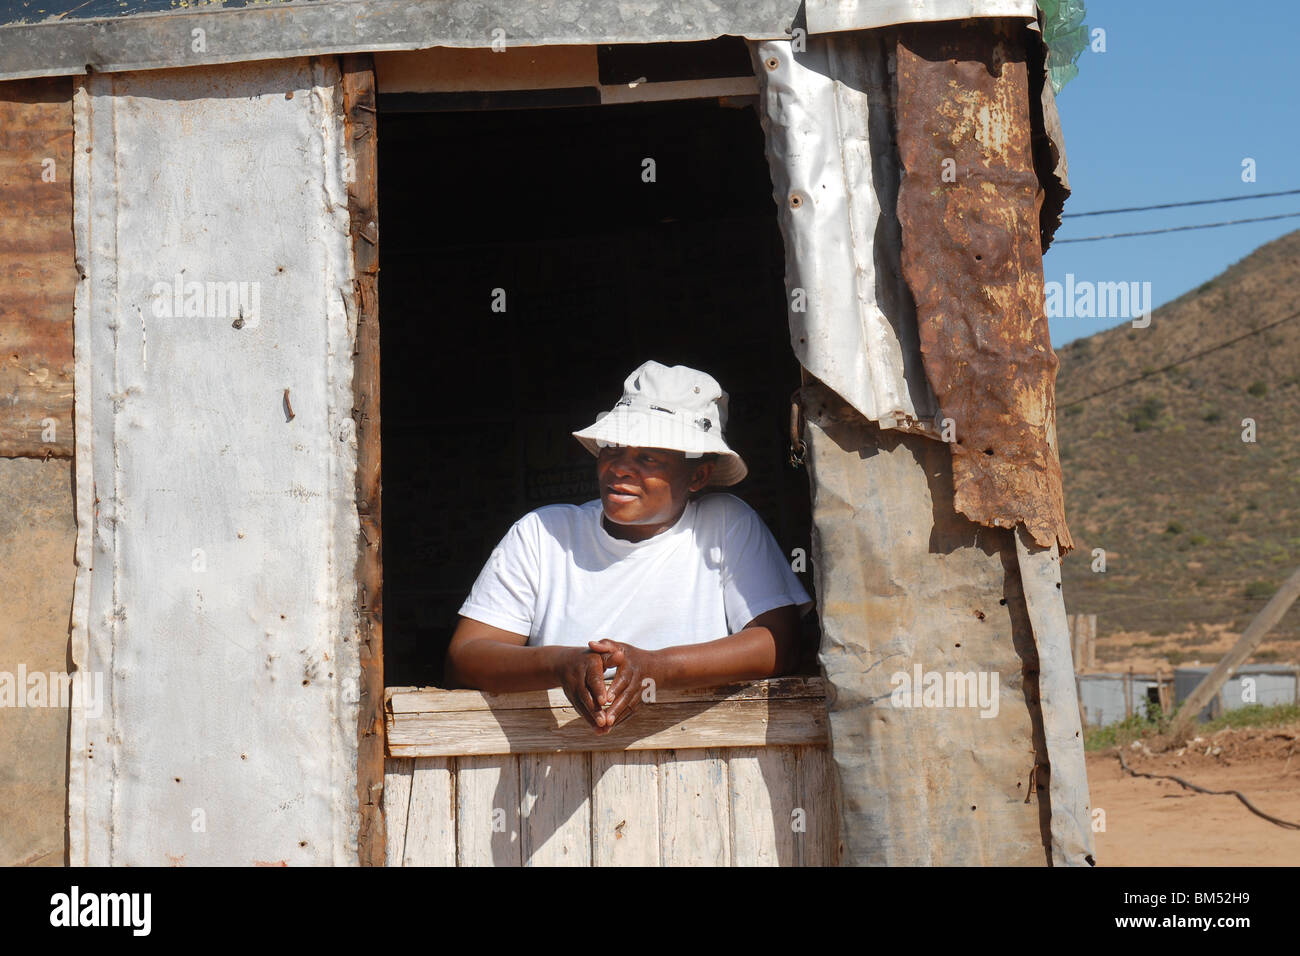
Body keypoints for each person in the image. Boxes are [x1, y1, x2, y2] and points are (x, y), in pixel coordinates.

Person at [444, 360, 812, 734]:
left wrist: (657, 668)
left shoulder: (724, 526)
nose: (619, 469)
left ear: (698, 475)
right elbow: (466, 656)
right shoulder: (543, 533)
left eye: (648, 458)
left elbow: (778, 645)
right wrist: (562, 663)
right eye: (613, 449)